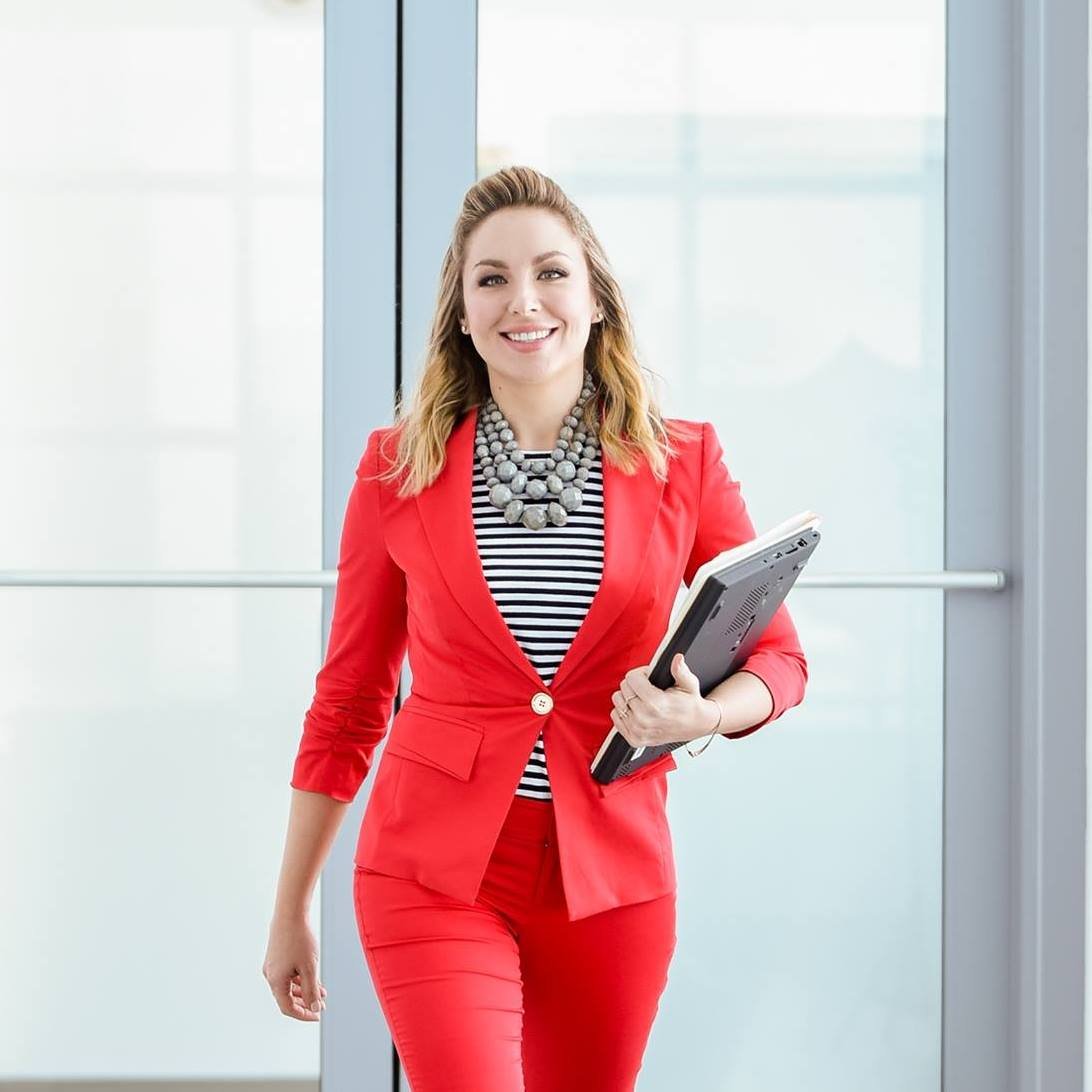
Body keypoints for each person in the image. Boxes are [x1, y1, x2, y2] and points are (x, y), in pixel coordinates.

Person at [262, 165, 808, 1091]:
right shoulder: (395, 469)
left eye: (552, 273)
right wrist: (291, 904)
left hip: (613, 876)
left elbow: (779, 656)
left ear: (594, 298)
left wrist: (705, 717)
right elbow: (350, 697)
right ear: (463, 315)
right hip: (430, 870)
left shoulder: (684, 461)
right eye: (492, 279)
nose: (525, 300)